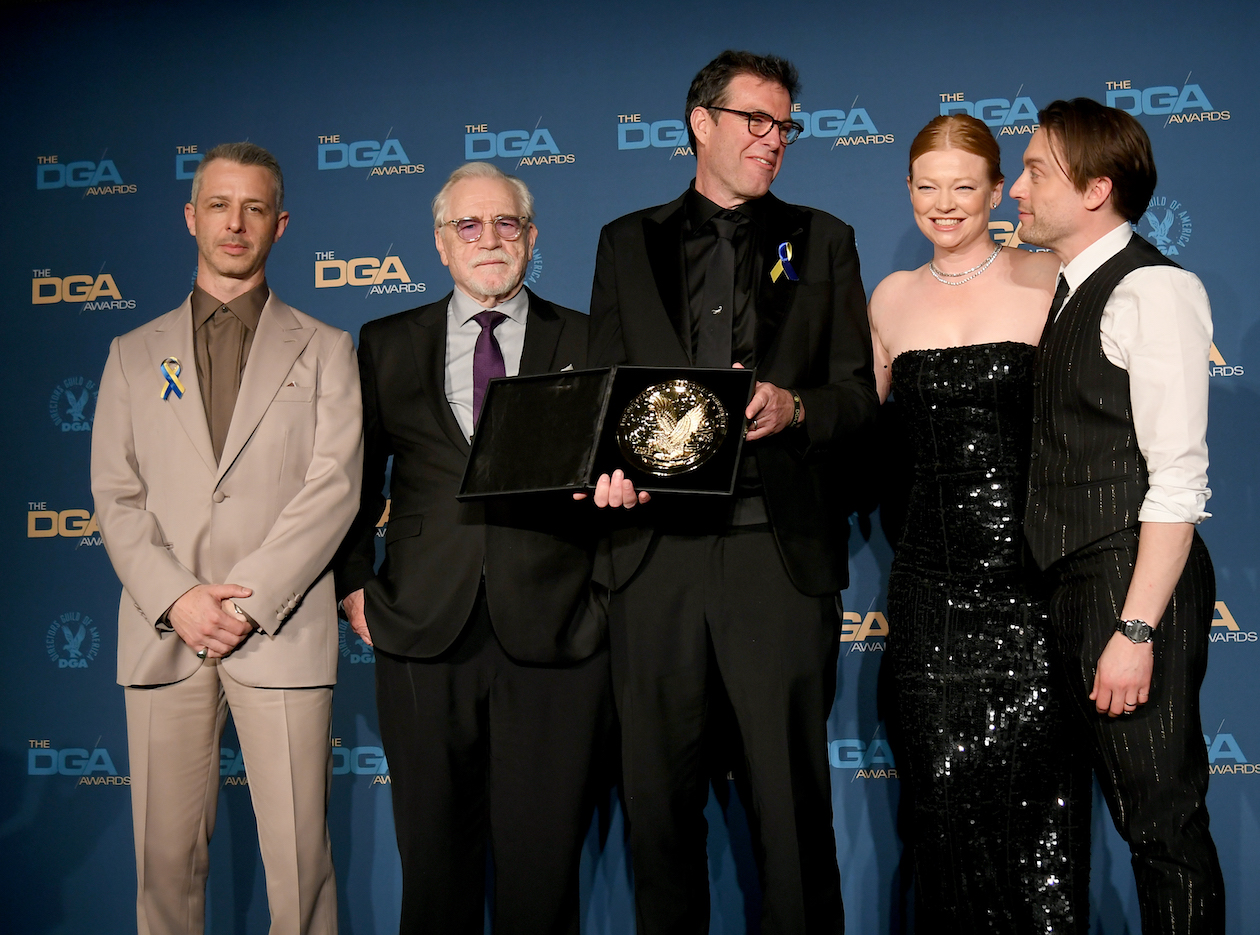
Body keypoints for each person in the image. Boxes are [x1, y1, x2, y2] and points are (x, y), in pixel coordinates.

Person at [586, 50, 877, 934]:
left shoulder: (823, 239)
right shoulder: (623, 240)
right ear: (700, 123)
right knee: (658, 811)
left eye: (784, 125)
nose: (773, 139)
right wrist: (605, 473)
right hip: (654, 560)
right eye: (756, 120)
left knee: (790, 812)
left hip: (774, 558)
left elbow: (858, 399)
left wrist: (796, 407)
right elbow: (602, 394)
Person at [90, 142, 362, 935]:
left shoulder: (327, 347)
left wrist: (245, 602)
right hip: (163, 633)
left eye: (252, 208)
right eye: (218, 204)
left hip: (276, 629)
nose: (234, 223)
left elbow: (335, 486)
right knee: (165, 871)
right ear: (190, 217)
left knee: (300, 871)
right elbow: (116, 494)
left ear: (280, 224)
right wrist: (178, 598)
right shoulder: (130, 353)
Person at [334, 162, 611, 935]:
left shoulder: (588, 337)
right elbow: (354, 483)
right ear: (441, 244)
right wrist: (354, 583)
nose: (489, 240)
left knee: (543, 867)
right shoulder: (386, 343)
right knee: (433, 868)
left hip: (557, 631)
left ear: (530, 237)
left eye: (507, 224)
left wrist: (604, 597)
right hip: (423, 626)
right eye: (469, 226)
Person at [867, 114, 1088, 932]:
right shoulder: (888, 298)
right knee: (944, 819)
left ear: (999, 191)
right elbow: (864, 447)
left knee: (1038, 833)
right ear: (910, 194)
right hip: (927, 596)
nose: (946, 204)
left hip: (1032, 591)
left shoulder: (1047, 280)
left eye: (965, 186)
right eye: (928, 187)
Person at [1013, 98, 1224, 933]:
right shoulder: (1068, 291)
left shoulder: (1155, 287)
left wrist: (1135, 630)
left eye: (1034, 172)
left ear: (1096, 187)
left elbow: (1178, 476)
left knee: (1161, 823)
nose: (1014, 193)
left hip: (1127, 583)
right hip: (1075, 583)